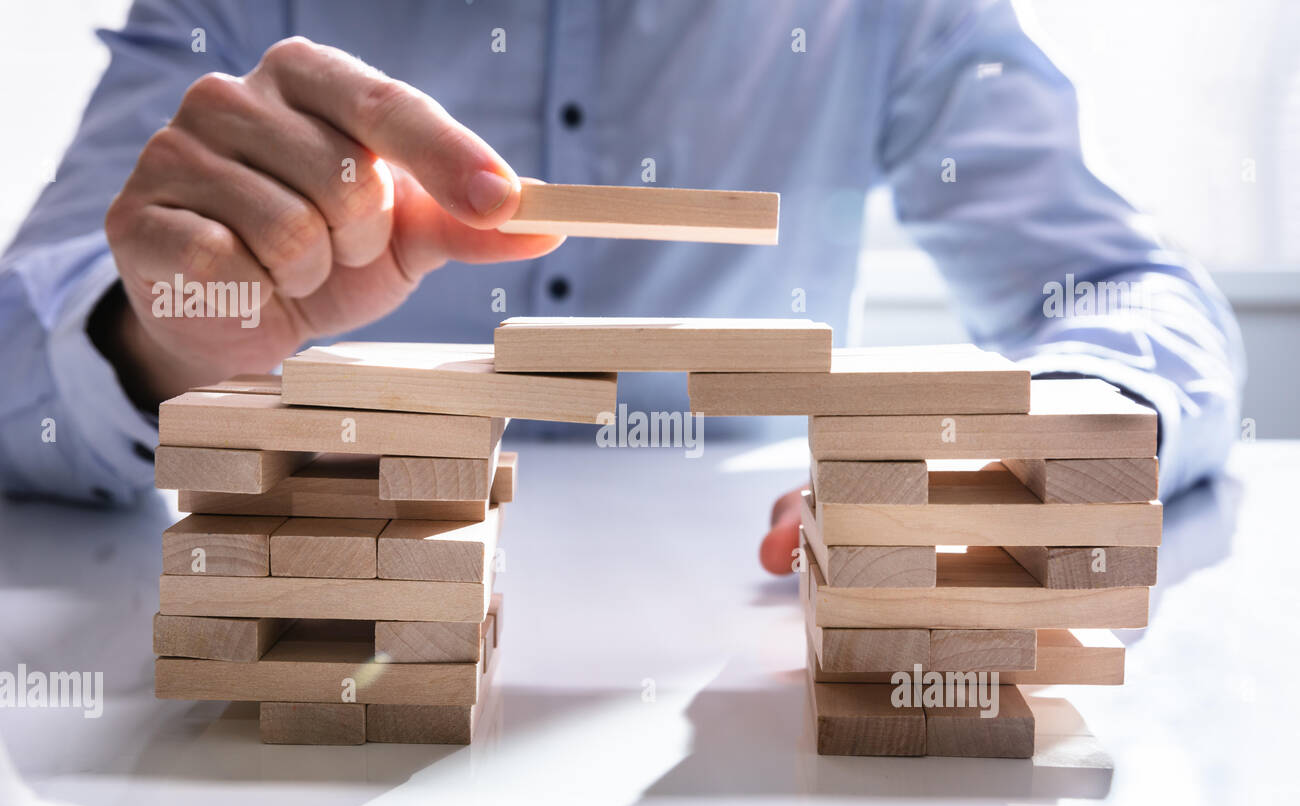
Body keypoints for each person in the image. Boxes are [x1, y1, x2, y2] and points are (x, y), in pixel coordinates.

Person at [0, 0, 1244, 575]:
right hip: (324, 641)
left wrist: (1059, 415)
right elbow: (19, 344)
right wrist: (156, 340)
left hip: (742, 635)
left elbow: (1125, 288)